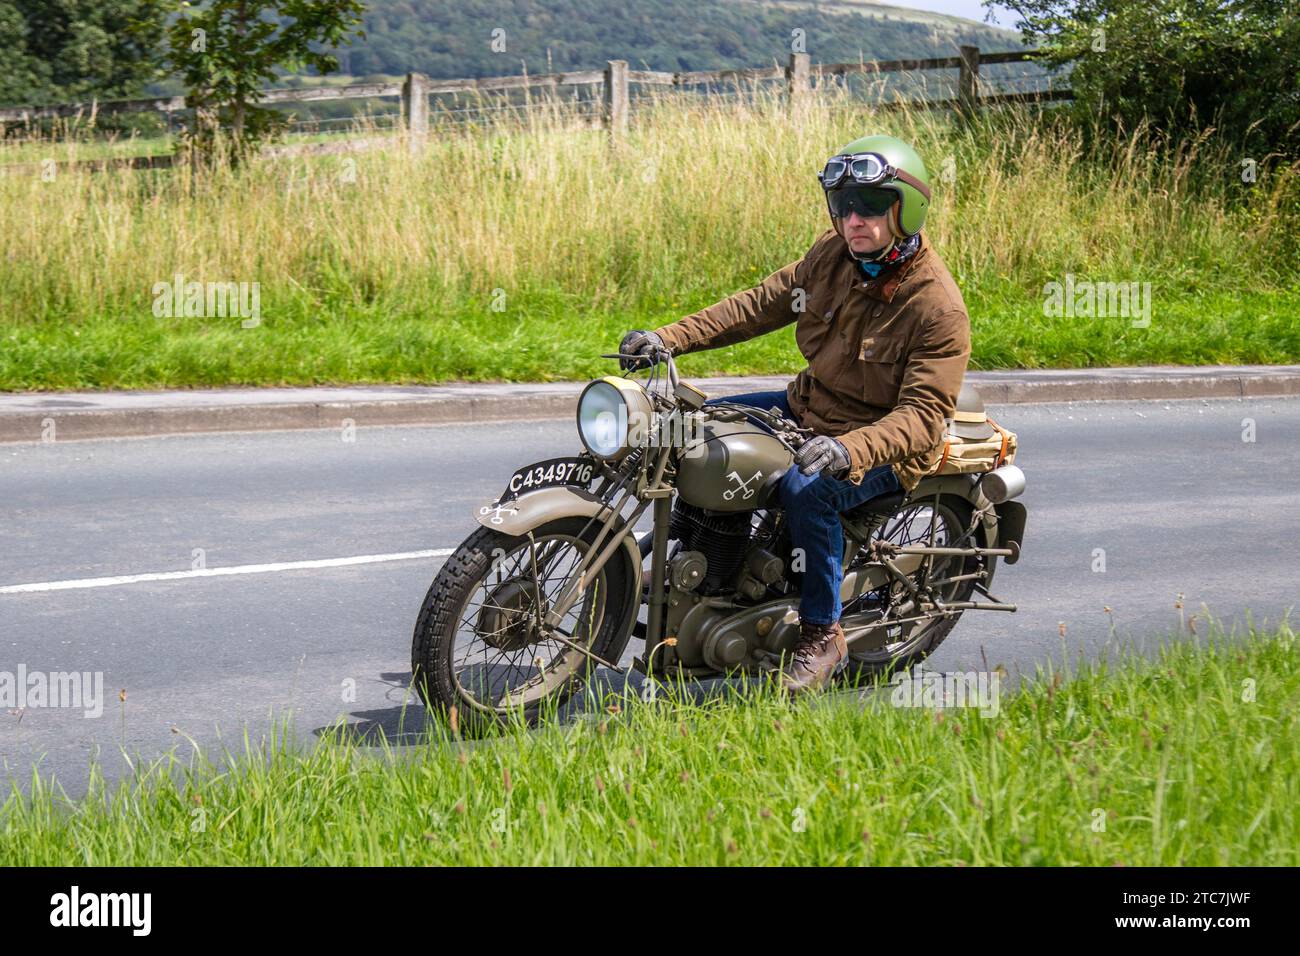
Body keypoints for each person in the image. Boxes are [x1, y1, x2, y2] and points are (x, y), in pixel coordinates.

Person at [618, 134, 971, 694]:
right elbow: (759, 303)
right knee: (692, 431)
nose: (854, 218)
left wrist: (848, 450)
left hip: (883, 444)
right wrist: (667, 339)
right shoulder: (832, 256)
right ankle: (707, 556)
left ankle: (820, 631)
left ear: (908, 208)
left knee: (809, 490)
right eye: (843, 205)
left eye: (872, 205)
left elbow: (925, 416)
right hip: (809, 406)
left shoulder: (936, 307)